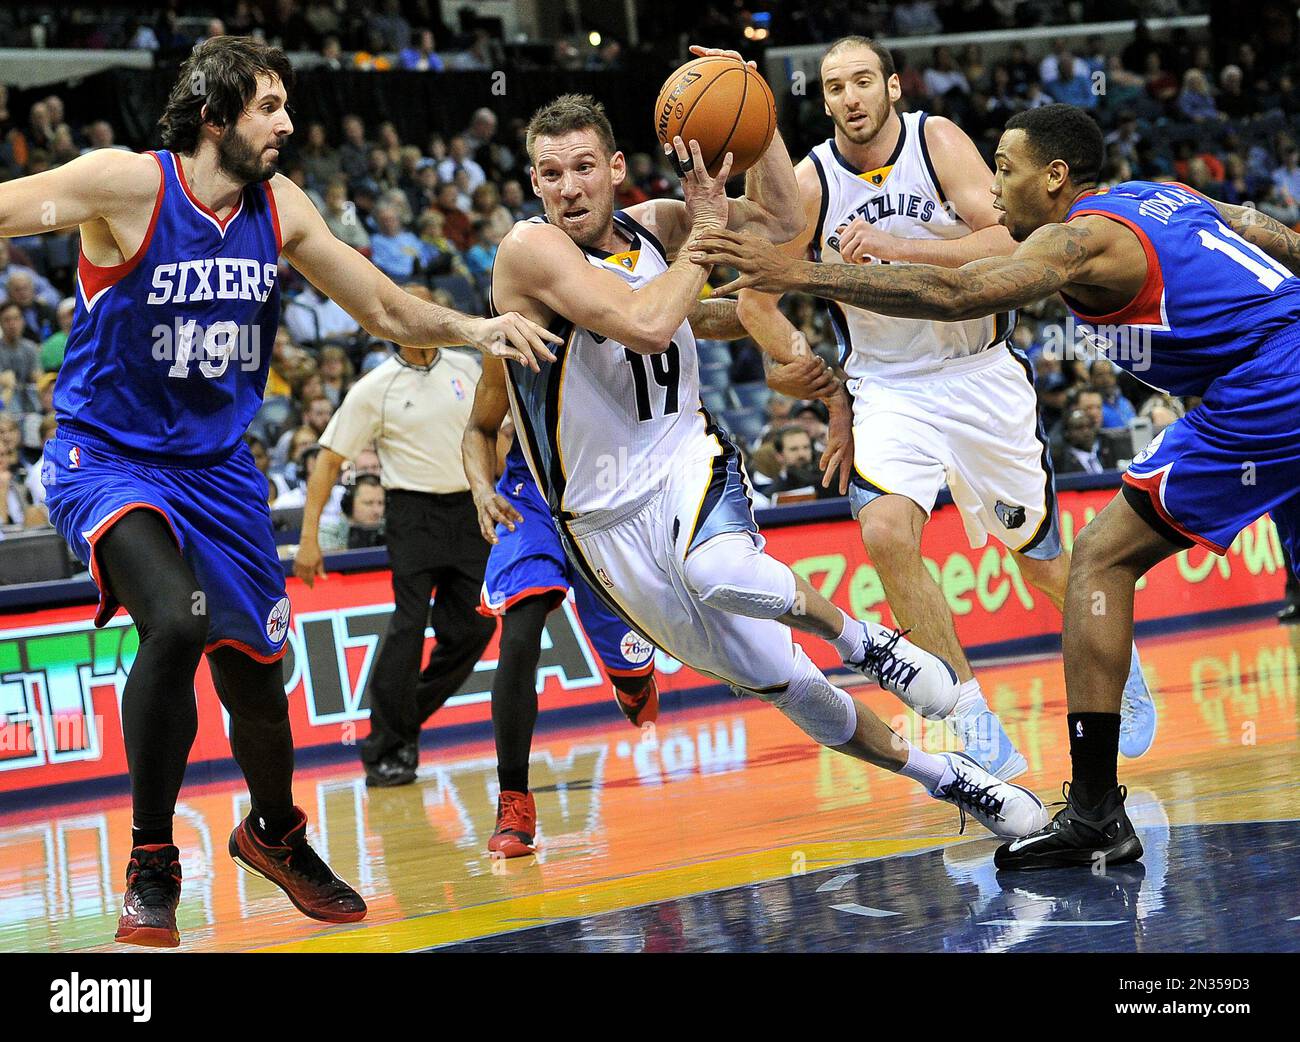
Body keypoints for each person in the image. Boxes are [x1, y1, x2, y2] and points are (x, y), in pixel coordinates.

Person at [0, 35, 557, 947]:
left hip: (219, 474)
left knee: (257, 678)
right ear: (215, 116)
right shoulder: (127, 186)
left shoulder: (281, 209)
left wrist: (475, 326)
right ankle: (151, 862)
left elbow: (379, 306)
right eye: (268, 107)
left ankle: (275, 833)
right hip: (108, 458)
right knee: (175, 622)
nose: (288, 124)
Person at [693, 101, 1300, 870]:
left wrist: (801, 273)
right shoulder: (1163, 193)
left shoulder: (1076, 237)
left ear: (1055, 178)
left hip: (1269, 384)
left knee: (1099, 560)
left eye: (1005, 171)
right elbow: (1262, 229)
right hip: (1270, 370)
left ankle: (1093, 814)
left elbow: (959, 295)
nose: (990, 189)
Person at [488, 81, 1049, 854]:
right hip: (602, 525)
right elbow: (648, 324)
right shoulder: (529, 249)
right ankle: (949, 777)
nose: (567, 187)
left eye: (583, 167)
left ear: (617, 167)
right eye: (550, 174)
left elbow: (787, 223)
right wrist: (706, 235)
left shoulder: (658, 227)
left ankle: (870, 645)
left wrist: (761, 116)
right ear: (533, 184)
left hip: (686, 458)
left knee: (722, 568)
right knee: (793, 690)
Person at [735, 36, 1156, 782]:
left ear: (892, 85)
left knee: (1044, 562)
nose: (850, 97)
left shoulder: (937, 141)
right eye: (834, 87)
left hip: (979, 373)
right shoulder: (809, 182)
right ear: (824, 99)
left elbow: (1010, 237)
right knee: (887, 530)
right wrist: (806, 369)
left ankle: (1120, 662)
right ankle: (965, 710)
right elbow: (759, 295)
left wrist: (899, 247)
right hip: (887, 386)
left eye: (863, 80)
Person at [295, 293, 497, 788]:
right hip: (412, 512)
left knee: (473, 629)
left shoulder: (468, 367)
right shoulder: (375, 388)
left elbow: (496, 432)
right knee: (408, 629)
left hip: (468, 509)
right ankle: (386, 749)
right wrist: (308, 538)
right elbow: (328, 459)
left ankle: (400, 723)